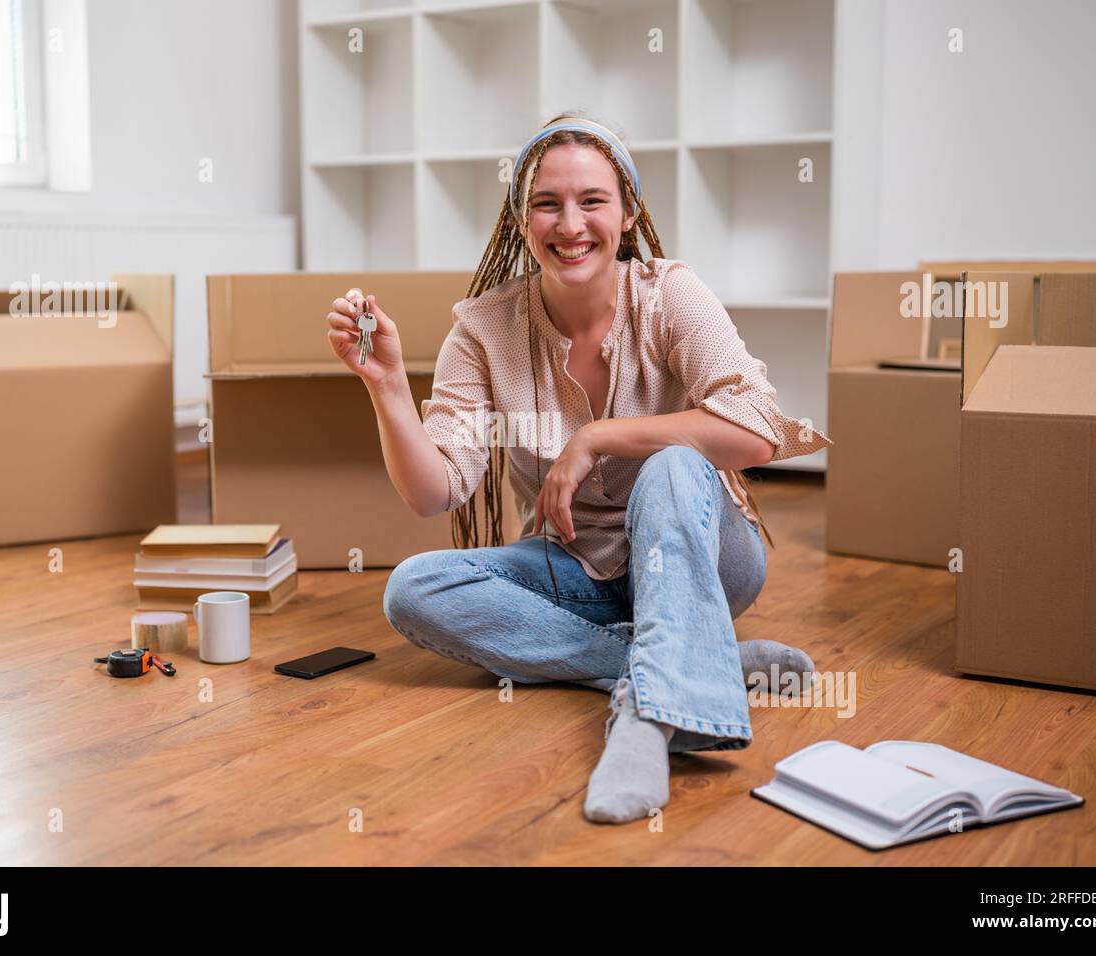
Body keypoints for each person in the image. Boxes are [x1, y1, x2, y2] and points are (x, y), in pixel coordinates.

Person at [324, 111, 832, 824]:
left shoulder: (668, 294)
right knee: (412, 588)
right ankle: (679, 662)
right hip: (574, 569)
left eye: (593, 200)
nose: (571, 224)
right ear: (520, 218)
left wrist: (598, 438)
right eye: (546, 203)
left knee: (671, 467)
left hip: (705, 556)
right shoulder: (483, 331)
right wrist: (387, 387)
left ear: (626, 214)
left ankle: (643, 720)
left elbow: (757, 430)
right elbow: (434, 493)